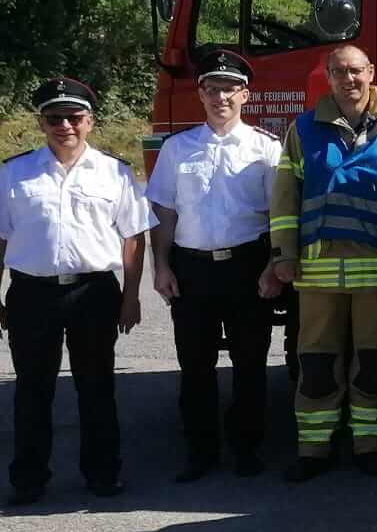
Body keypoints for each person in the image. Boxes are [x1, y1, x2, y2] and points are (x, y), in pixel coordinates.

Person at [270, 45, 377, 481]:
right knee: (317, 362)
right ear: (328, 77)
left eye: (356, 70)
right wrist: (284, 254)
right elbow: (285, 197)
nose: (349, 79)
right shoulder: (304, 128)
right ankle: (314, 449)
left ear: (371, 72)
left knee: (374, 362)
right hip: (318, 271)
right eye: (339, 72)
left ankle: (370, 444)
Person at [1, 78, 153, 505]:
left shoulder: (114, 172)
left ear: (90, 121)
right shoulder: (13, 173)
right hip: (32, 294)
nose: (64, 126)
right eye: (54, 118)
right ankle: (28, 479)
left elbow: (133, 237)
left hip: (94, 293)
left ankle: (103, 473)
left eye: (73, 117)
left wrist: (131, 296)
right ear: (41, 123)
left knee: (96, 386)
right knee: (32, 390)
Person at [145, 47, 281, 482]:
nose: (221, 97)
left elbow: (280, 215)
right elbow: (164, 211)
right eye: (212, 89)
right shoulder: (177, 148)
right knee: (195, 365)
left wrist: (273, 266)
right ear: (200, 94)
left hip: (247, 265)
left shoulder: (266, 148)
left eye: (230, 89)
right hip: (192, 268)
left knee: (250, 362)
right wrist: (160, 265)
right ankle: (200, 451)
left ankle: (246, 448)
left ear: (245, 95)